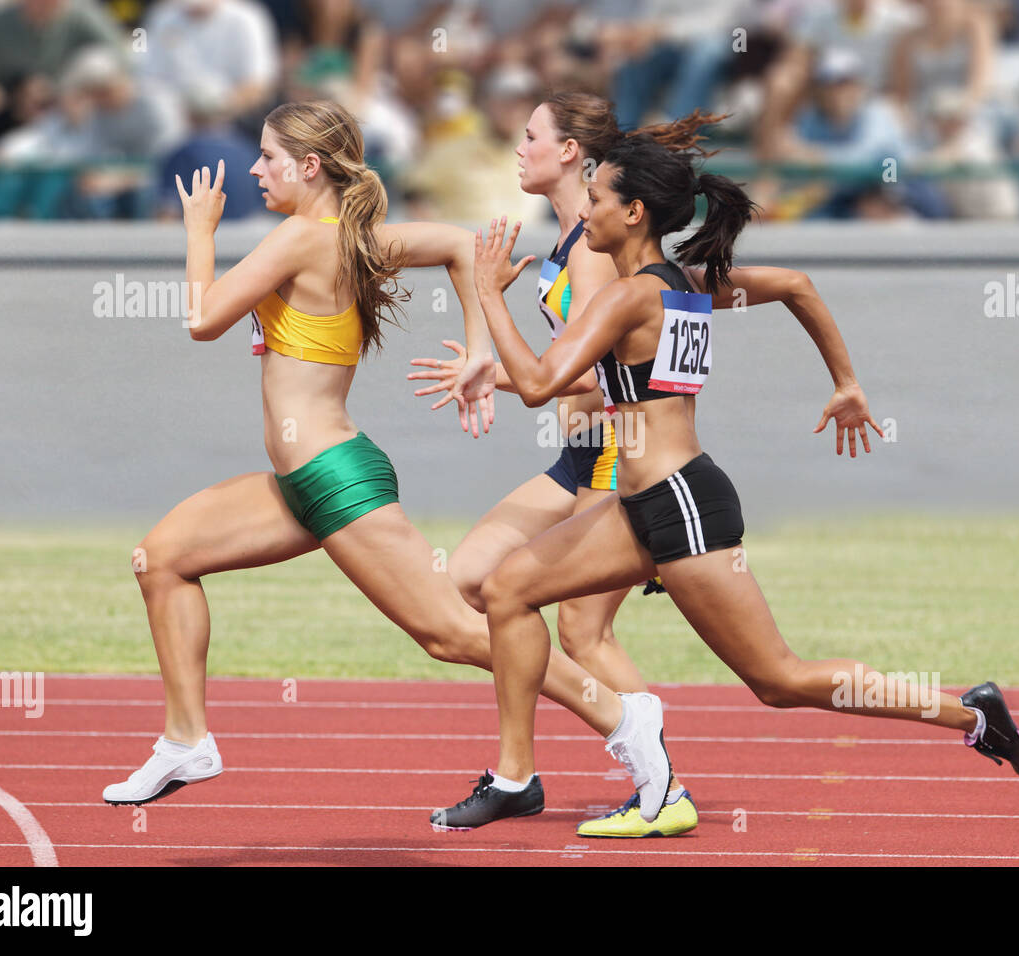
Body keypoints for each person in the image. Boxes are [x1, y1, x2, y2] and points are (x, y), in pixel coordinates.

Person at [429, 132, 1019, 830]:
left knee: (778, 680)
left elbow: (540, 384)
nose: (584, 214)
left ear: (633, 214)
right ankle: (519, 776)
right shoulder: (686, 286)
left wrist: (486, 296)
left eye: (595, 200)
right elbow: (797, 287)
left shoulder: (629, 298)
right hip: (641, 508)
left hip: (681, 505)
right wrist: (845, 384)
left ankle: (968, 712)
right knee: (507, 589)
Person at [101, 99, 664, 807]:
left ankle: (621, 715)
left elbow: (201, 319)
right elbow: (464, 248)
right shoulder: (351, 238)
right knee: (163, 558)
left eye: (268, 157)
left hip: (335, 479)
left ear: (309, 166)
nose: (254, 170)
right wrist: (479, 353)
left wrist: (199, 232)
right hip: (296, 482)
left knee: (454, 633)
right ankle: (186, 742)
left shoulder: (302, 239)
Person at [409, 92, 865, 837]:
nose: (517, 148)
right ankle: (597, 756)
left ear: (575, 159)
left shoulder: (611, 269)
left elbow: (576, 372)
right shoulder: (590, 248)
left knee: (577, 628)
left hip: (617, 466)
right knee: (484, 587)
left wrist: (503, 343)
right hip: (592, 461)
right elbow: (771, 292)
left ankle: (626, 764)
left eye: (530, 136)